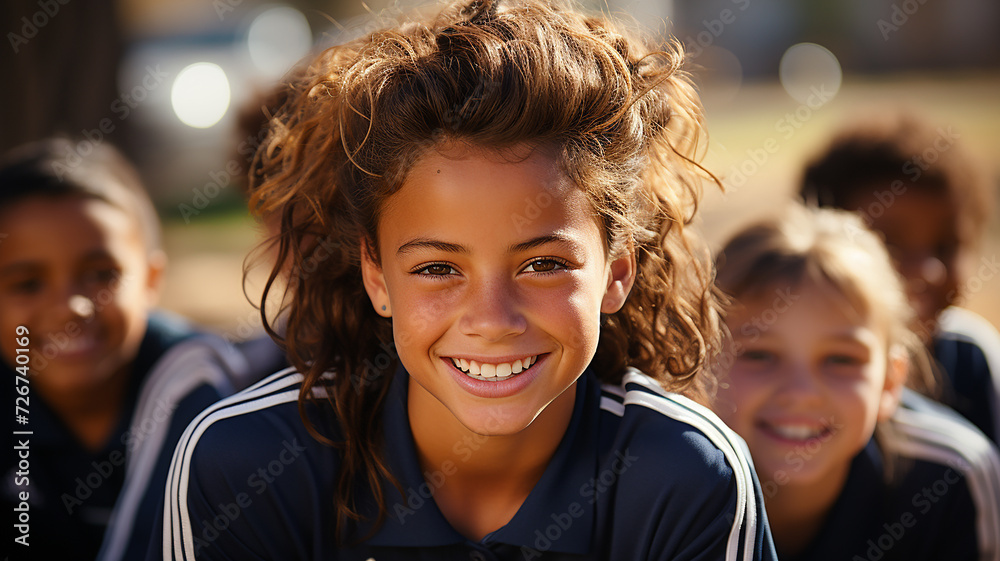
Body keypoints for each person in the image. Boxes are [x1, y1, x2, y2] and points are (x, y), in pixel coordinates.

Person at [149, 0, 778, 559]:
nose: (491, 319)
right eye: (438, 269)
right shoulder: (243, 464)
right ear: (377, 276)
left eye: (543, 264)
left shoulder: (686, 476)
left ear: (617, 271)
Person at [0, 138, 252, 561]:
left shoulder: (190, 383)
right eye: (28, 284)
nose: (70, 307)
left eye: (100, 275)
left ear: (151, 280)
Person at [711, 203, 1000, 561]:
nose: (801, 394)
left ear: (890, 382)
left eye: (841, 360)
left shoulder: (950, 478)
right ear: (701, 361)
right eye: (759, 355)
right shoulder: (660, 473)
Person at [799, 111, 1000, 443]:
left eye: (946, 246)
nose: (928, 271)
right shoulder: (771, 352)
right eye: (889, 243)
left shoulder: (972, 355)